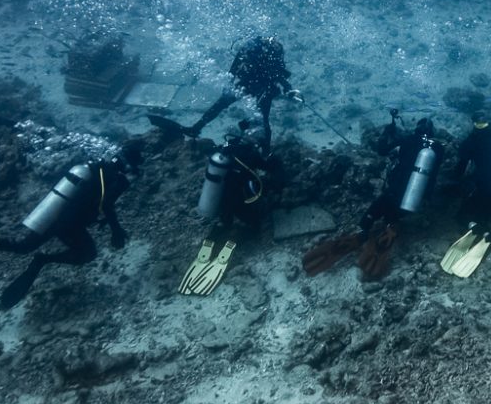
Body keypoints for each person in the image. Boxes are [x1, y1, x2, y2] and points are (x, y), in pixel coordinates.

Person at [0, 146, 140, 310]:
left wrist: (101, 220)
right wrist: (116, 230)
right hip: (69, 223)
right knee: (87, 253)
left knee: (23, 247)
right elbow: (106, 205)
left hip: (56, 215)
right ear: (129, 165)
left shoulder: (96, 167)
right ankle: (42, 261)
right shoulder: (118, 179)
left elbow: (94, 201)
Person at [302, 113, 445, 280]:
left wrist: (388, 131)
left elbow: (382, 150)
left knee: (375, 211)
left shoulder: (408, 139)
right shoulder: (438, 149)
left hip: (390, 194)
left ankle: (362, 232)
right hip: (411, 200)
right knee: (394, 217)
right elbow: (433, 177)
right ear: (432, 132)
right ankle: (391, 228)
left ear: (417, 129)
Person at [150, 35, 297, 153]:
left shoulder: (250, 48)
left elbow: (234, 69)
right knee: (262, 119)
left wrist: (229, 84)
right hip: (261, 88)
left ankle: (196, 127)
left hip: (247, 85)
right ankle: (266, 150)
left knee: (221, 105)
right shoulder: (271, 52)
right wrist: (288, 89)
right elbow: (280, 76)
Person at [179, 123, 269, 296]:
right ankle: (231, 244)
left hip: (220, 200)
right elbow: (267, 170)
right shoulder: (251, 155)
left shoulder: (225, 150)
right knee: (253, 226)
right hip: (239, 201)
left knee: (224, 223)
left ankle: (209, 244)